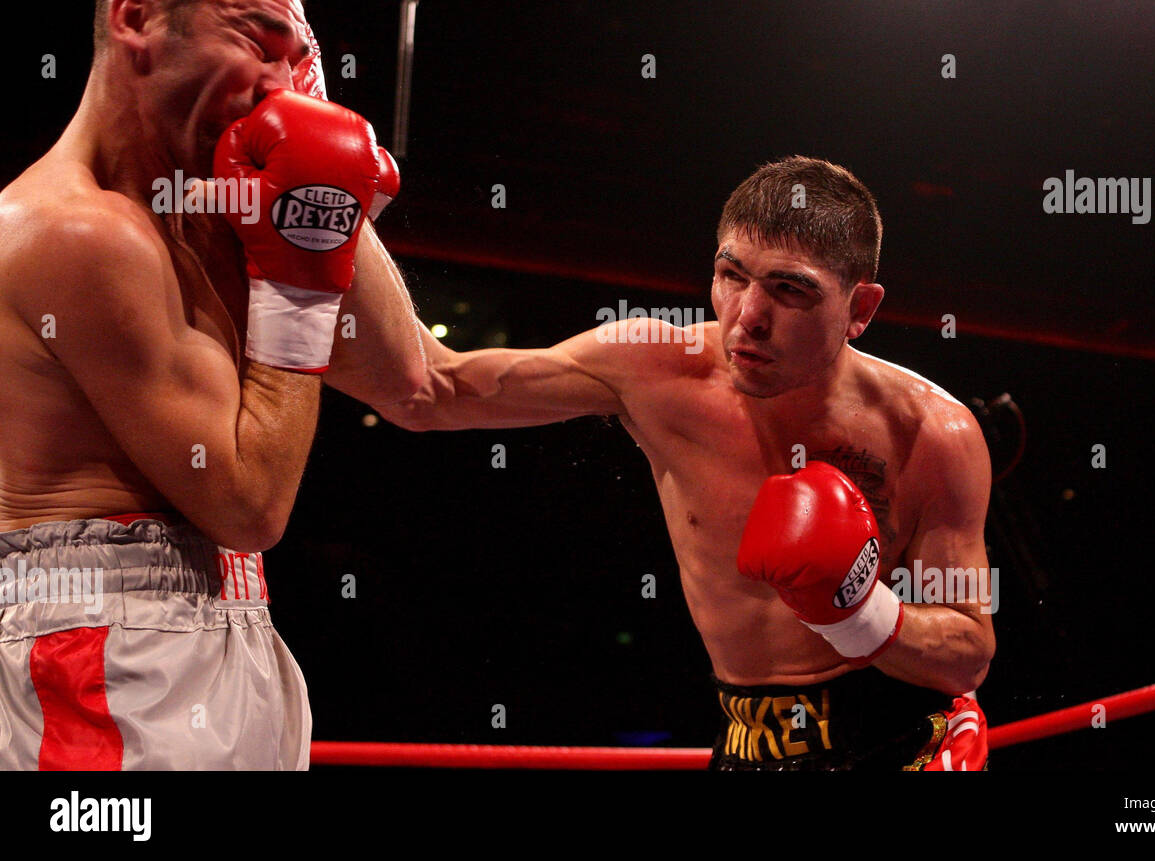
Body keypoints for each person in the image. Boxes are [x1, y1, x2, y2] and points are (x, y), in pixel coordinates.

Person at [380, 156, 995, 770]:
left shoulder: (934, 435)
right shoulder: (653, 368)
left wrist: (861, 609)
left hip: (900, 737)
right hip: (743, 740)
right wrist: (335, 223)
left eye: (790, 289)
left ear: (861, 308)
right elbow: (429, 390)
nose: (748, 317)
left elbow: (969, 651)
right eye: (732, 275)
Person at [0, 0, 424, 769]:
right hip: (105, 658)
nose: (282, 79)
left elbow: (406, 374)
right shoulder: (77, 232)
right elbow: (247, 504)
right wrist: (303, 272)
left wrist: (325, 185)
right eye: (260, 42)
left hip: (225, 637)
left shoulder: (204, 210)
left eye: (298, 60)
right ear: (136, 20)